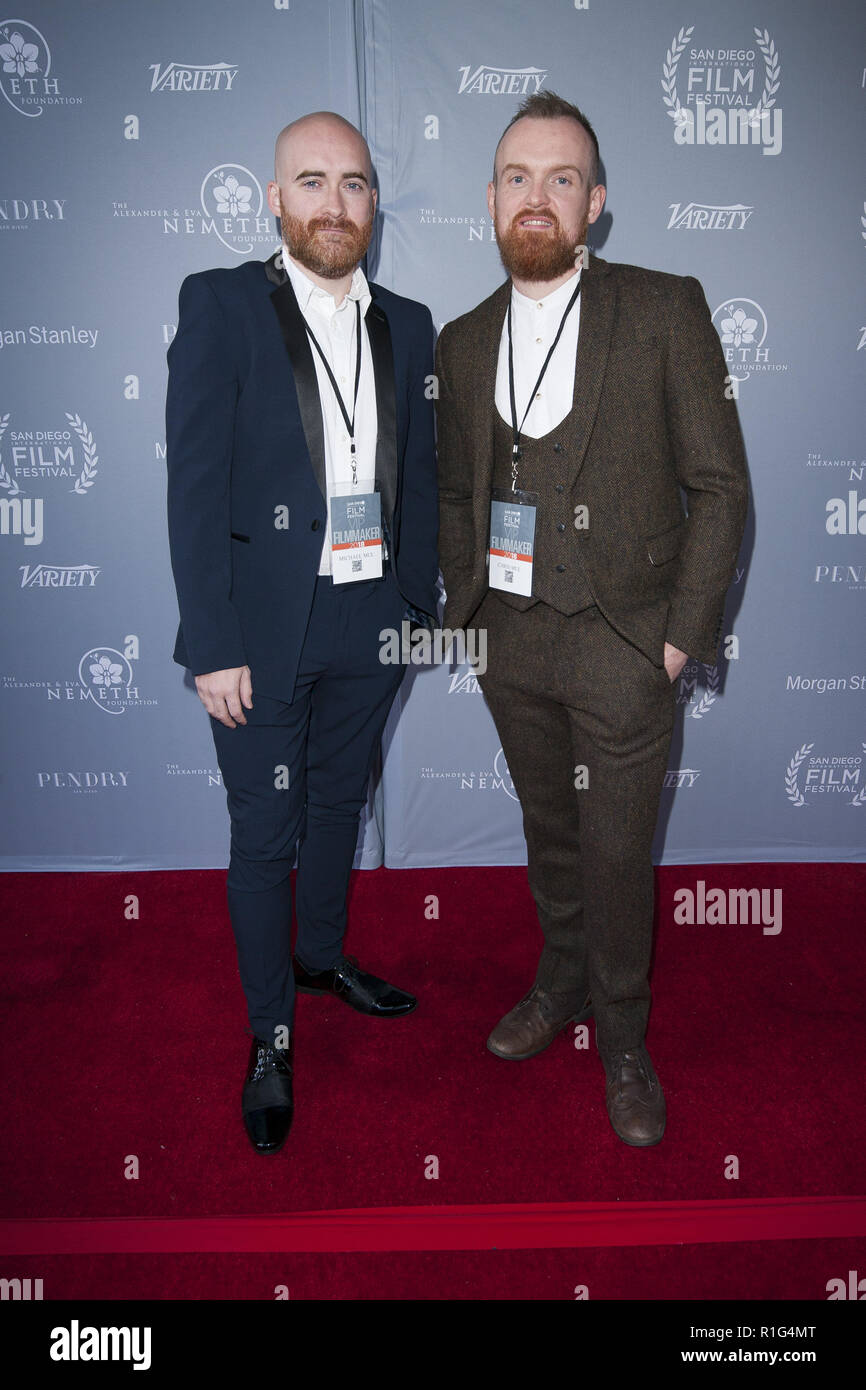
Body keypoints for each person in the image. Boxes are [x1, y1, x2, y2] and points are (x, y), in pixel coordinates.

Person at [434, 91, 748, 1147]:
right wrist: (462, 610)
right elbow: (450, 496)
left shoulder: (662, 307)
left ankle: (621, 1038)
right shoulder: (461, 340)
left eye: (559, 179)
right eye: (517, 177)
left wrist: (675, 635)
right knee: (550, 835)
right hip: (510, 639)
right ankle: (558, 982)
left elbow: (719, 486)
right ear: (489, 200)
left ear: (594, 202)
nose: (536, 197)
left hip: (625, 639)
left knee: (617, 852)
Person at [166, 111, 438, 1155]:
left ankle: (320, 957)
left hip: (374, 620)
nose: (335, 203)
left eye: (355, 184)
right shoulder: (223, 302)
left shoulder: (407, 324)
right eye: (311, 182)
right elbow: (194, 485)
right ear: (274, 200)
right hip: (260, 631)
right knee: (260, 837)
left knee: (339, 801)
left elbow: (415, 470)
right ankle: (269, 1037)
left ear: (375, 203)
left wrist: (415, 601)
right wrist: (211, 638)